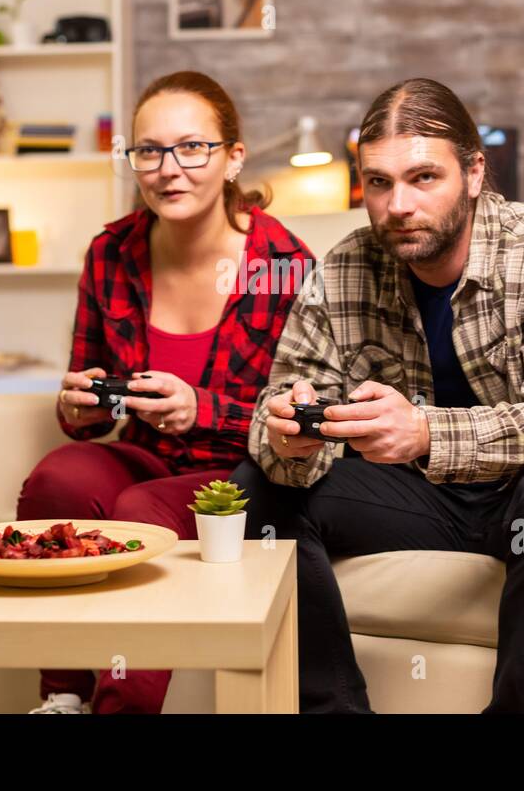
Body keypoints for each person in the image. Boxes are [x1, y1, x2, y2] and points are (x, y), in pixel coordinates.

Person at [232, 77, 524, 714]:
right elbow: (281, 397)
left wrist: (425, 432)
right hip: (420, 497)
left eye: (423, 178)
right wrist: (287, 435)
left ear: (474, 173)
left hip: (523, 494)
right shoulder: (345, 268)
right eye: (380, 183)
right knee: (256, 490)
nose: (398, 205)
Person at [18, 71, 314, 714]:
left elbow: (302, 428)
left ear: (233, 157)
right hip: (147, 454)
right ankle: (62, 696)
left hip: (243, 473)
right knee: (58, 479)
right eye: (148, 151)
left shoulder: (285, 264)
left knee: (140, 505)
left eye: (192, 148)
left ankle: (121, 709)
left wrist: (198, 408)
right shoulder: (111, 253)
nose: (168, 169)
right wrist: (79, 404)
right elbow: (90, 412)